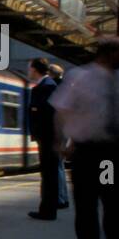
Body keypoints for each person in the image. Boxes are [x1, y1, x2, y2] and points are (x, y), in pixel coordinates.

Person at [50, 36, 119, 239]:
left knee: (114, 204)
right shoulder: (79, 77)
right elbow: (61, 111)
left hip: (112, 154)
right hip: (88, 152)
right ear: (109, 53)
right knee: (86, 204)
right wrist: (60, 141)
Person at [27, 58, 60, 220]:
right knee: (48, 174)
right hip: (48, 137)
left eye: (30, 69)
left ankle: (47, 210)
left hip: (48, 137)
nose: (28, 72)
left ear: (35, 70)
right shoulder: (46, 86)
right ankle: (46, 208)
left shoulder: (47, 87)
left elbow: (48, 113)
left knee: (49, 174)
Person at [49, 64, 70, 206]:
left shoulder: (55, 88)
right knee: (59, 166)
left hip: (59, 132)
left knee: (56, 166)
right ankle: (63, 197)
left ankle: (60, 198)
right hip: (66, 131)